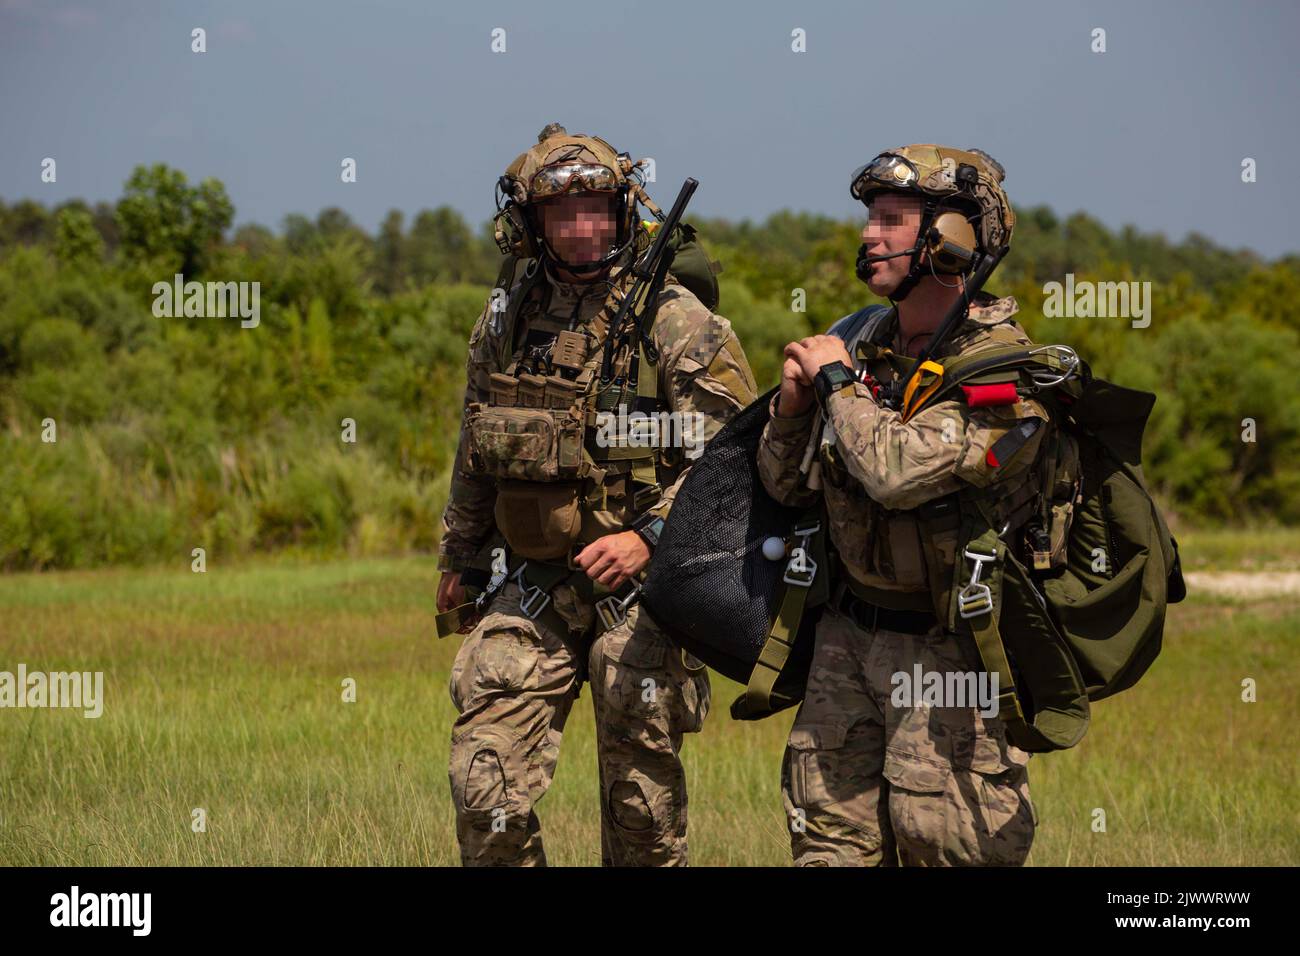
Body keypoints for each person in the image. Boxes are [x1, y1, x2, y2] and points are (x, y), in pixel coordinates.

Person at [436, 124, 757, 866]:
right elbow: (476, 440)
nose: (583, 229)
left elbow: (738, 456)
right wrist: (460, 552)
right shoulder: (507, 316)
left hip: (641, 590)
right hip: (531, 584)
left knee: (643, 812)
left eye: (598, 210)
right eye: (562, 212)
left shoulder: (674, 318)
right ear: (532, 222)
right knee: (482, 783)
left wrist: (647, 537)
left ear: (624, 214)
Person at [757, 145, 1045, 866]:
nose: (869, 235)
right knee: (825, 848)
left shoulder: (1005, 373)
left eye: (891, 220)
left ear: (954, 240)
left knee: (946, 848)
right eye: (868, 219)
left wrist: (835, 387)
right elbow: (784, 487)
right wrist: (793, 409)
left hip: (945, 653)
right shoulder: (859, 345)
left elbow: (896, 473)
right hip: (844, 640)